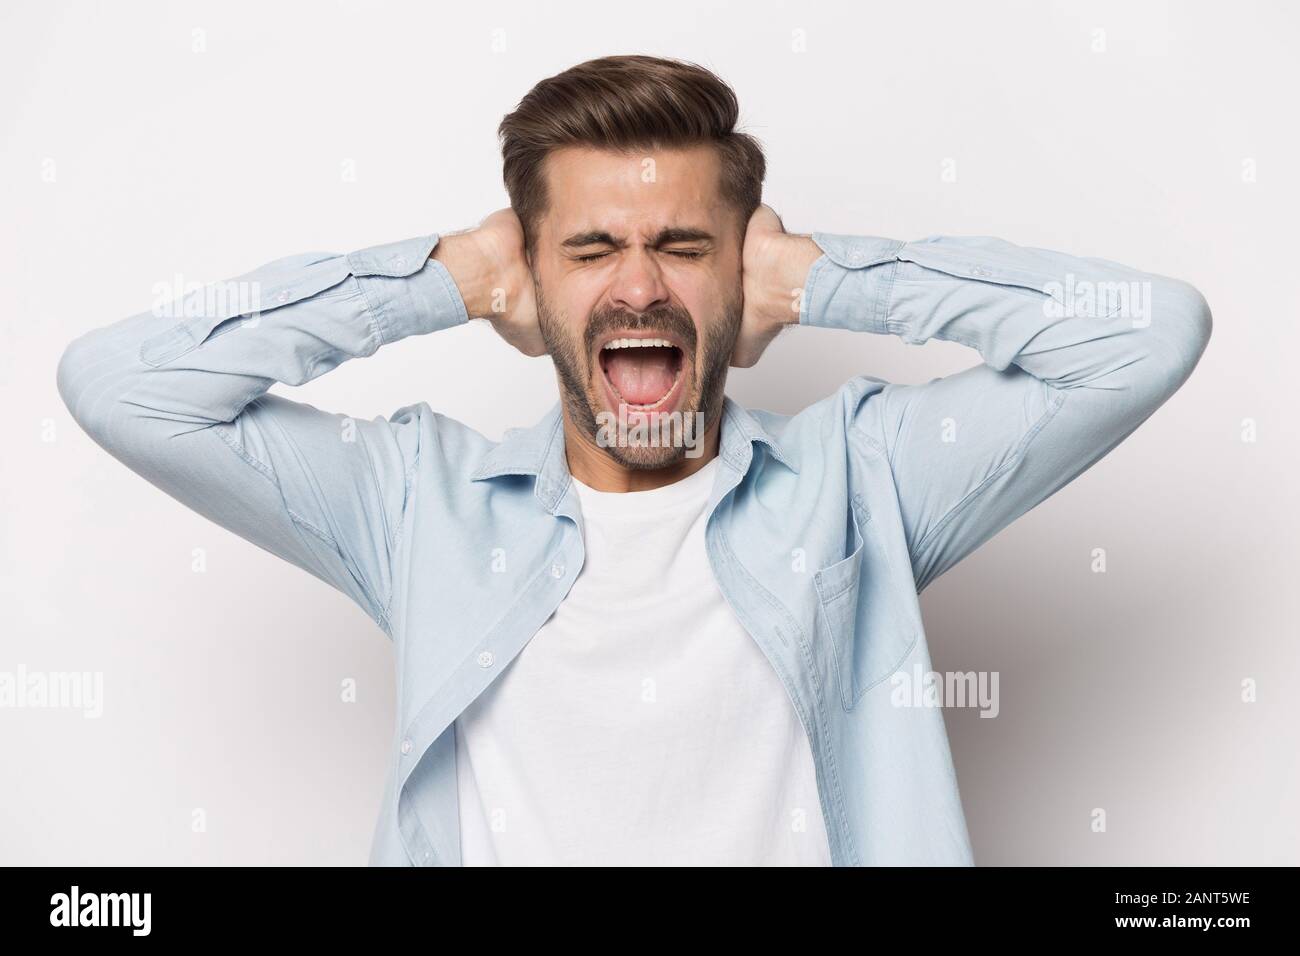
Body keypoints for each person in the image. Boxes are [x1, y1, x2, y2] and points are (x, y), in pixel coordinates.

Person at [56, 54, 1212, 866]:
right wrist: (442, 276)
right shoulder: (417, 505)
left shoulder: (867, 480)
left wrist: (825, 275)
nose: (641, 285)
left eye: (685, 246)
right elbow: (124, 387)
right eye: (591, 247)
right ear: (532, 283)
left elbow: (1144, 335)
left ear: (739, 276)